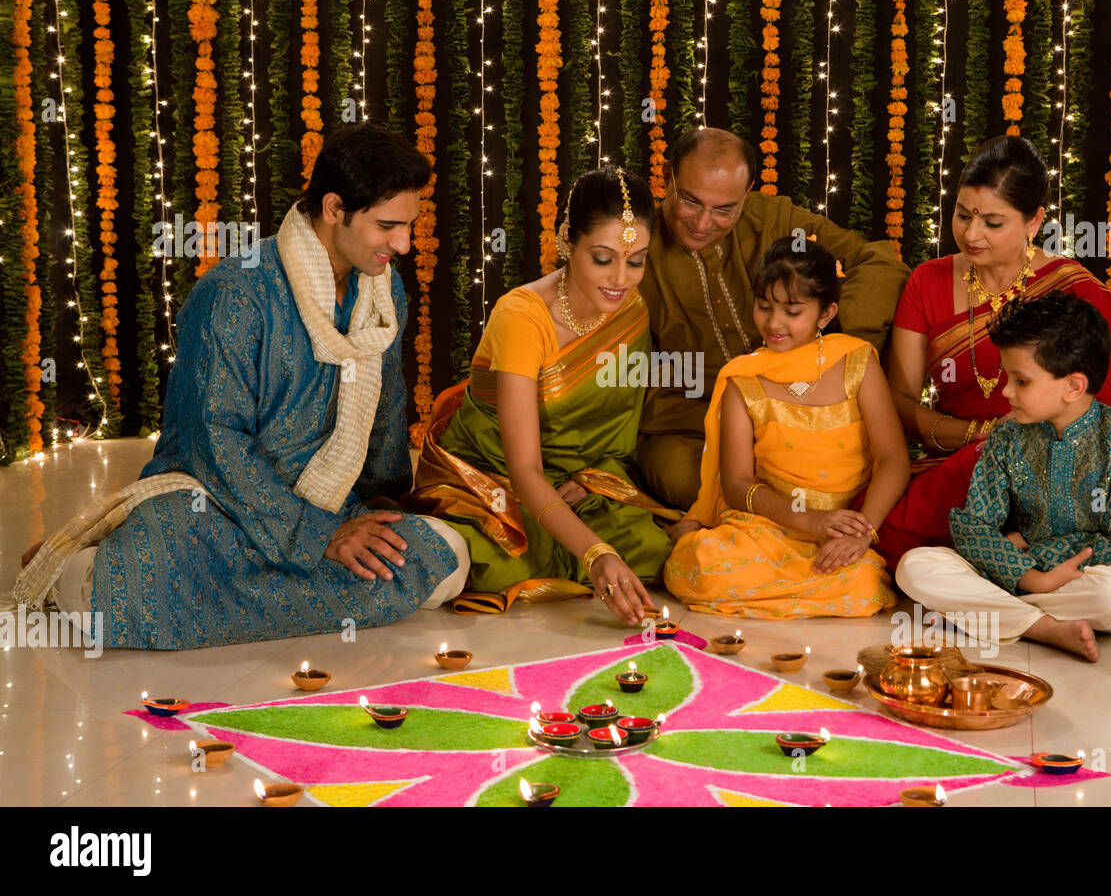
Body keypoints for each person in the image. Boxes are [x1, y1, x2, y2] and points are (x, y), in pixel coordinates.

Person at [12, 124, 469, 649]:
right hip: (221, 507)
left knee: (443, 556)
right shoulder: (237, 293)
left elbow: (385, 407)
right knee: (126, 593)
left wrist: (383, 511)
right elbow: (214, 441)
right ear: (336, 208)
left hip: (334, 500)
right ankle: (81, 567)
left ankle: (228, 589)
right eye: (388, 226)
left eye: (408, 226)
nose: (403, 245)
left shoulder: (381, 291)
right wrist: (320, 538)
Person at [881, 135, 1111, 629]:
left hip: (1068, 475)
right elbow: (899, 402)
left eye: (993, 222)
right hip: (956, 464)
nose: (972, 234)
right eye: (963, 214)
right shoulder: (927, 281)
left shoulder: (1074, 294)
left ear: (1034, 222)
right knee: (903, 551)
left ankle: (996, 591)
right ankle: (1039, 611)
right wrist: (973, 437)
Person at [408, 167, 675, 625]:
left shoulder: (631, 309)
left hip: (576, 483)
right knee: (501, 563)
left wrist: (596, 476)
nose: (621, 278)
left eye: (636, 261)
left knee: (652, 553)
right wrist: (594, 554)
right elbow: (524, 468)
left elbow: (617, 430)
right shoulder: (522, 317)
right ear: (567, 239)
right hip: (496, 478)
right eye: (603, 258)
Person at [636, 127, 910, 515]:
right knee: (688, 479)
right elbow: (608, 359)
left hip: (796, 414)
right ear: (667, 178)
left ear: (746, 196)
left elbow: (879, 265)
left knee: (830, 467)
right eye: (690, 201)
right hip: (691, 423)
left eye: (723, 210)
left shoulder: (775, 221)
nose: (702, 222)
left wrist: (827, 345)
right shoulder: (633, 245)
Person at [895, 293, 1111, 661]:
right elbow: (973, 527)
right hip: (1023, 577)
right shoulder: (1008, 437)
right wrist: (1032, 578)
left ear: (1073, 386)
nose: (1006, 392)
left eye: (1021, 381)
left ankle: (995, 612)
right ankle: (1043, 627)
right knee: (915, 567)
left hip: (1085, 578)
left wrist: (1026, 548)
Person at [663, 237, 910, 618]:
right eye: (765, 307)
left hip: (842, 530)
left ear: (826, 314)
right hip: (769, 525)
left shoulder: (857, 363)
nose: (774, 323)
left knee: (862, 581)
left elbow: (894, 459)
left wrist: (861, 534)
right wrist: (809, 520)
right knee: (704, 569)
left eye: (792, 311)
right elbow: (737, 484)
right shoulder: (743, 380)